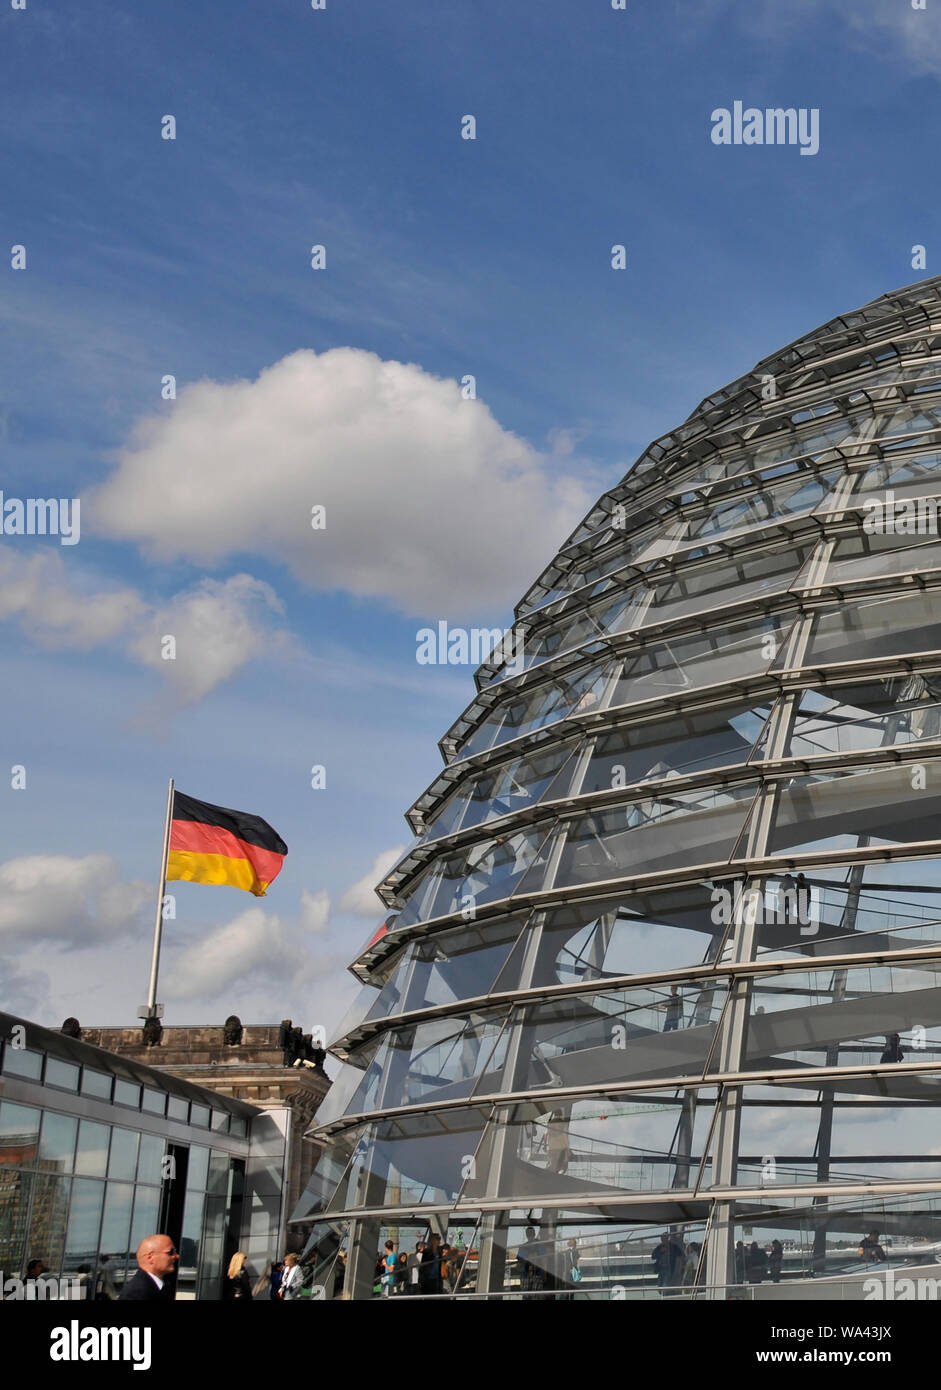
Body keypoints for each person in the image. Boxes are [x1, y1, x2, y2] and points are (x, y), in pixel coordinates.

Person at [118, 1235, 178, 1301]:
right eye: (171, 1252)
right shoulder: (135, 1293)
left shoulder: (163, 1289)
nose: (176, 1256)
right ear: (150, 1257)